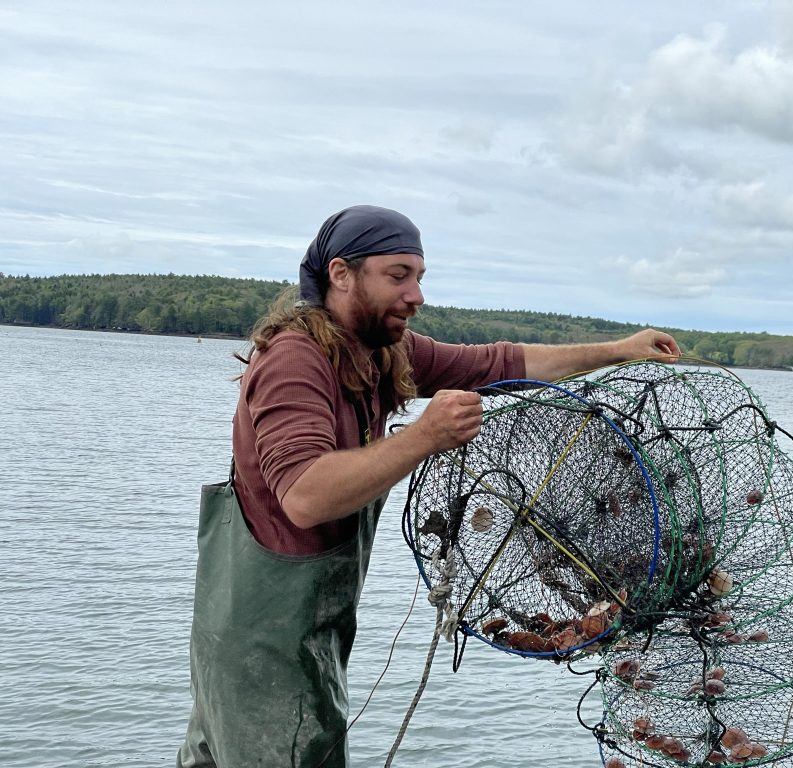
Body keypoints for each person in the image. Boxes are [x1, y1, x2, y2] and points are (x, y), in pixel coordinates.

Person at [177, 204, 680, 767]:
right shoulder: (296, 359)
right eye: (398, 276)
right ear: (341, 274)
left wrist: (615, 349)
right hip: (261, 649)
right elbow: (305, 495)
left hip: (301, 632)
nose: (416, 294)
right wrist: (425, 436)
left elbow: (495, 363)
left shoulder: (380, 352)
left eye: (419, 277)